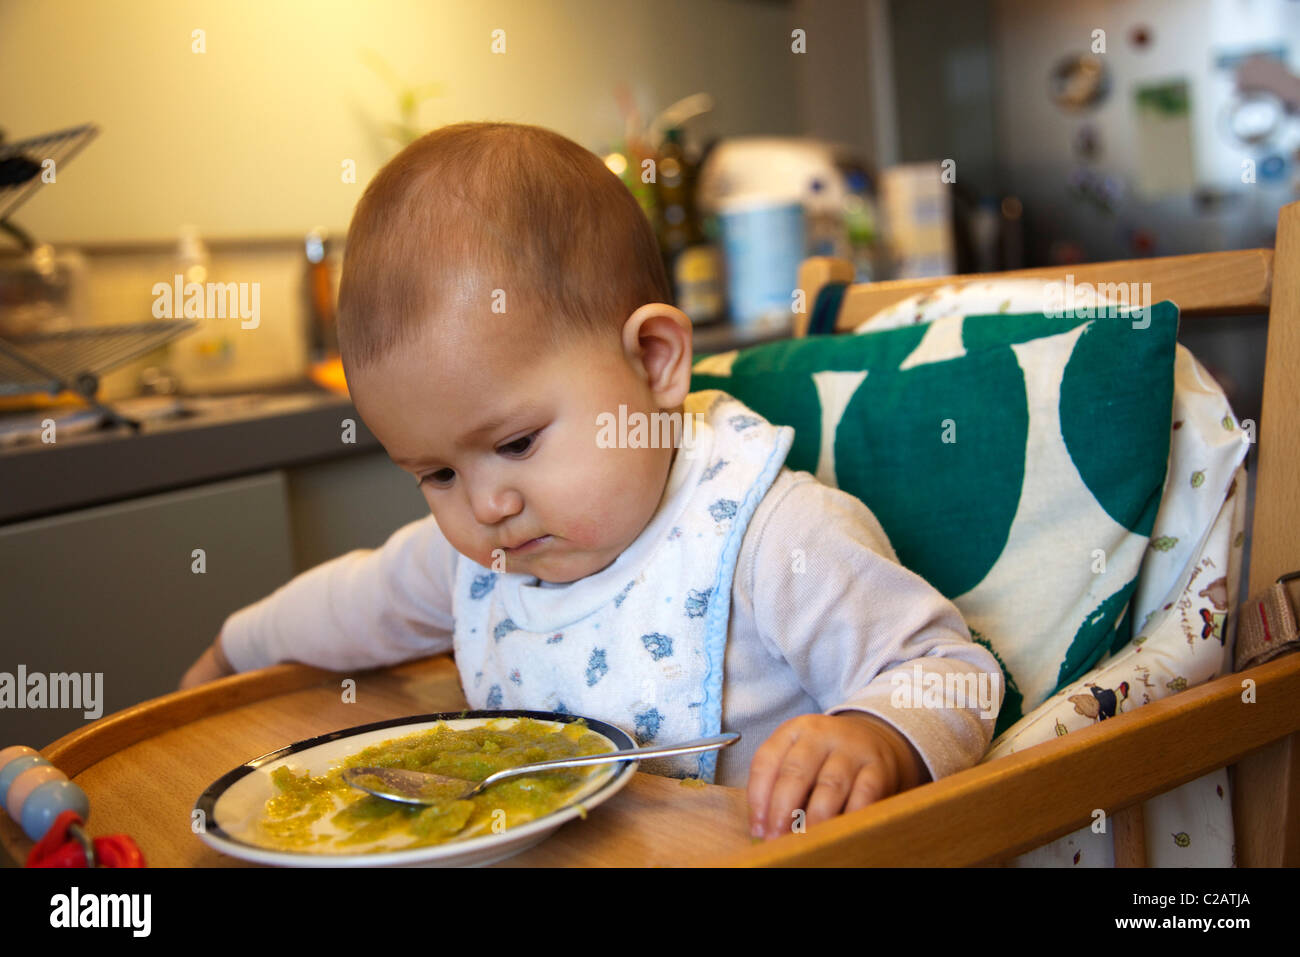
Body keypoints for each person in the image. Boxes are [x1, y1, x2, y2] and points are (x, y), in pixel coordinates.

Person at [180, 121, 1002, 841]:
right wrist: (232, 647)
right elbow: (355, 602)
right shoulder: (484, 555)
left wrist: (876, 735)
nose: (486, 505)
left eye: (518, 442)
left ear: (653, 362)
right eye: (435, 472)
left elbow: (948, 670)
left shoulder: (769, 535)